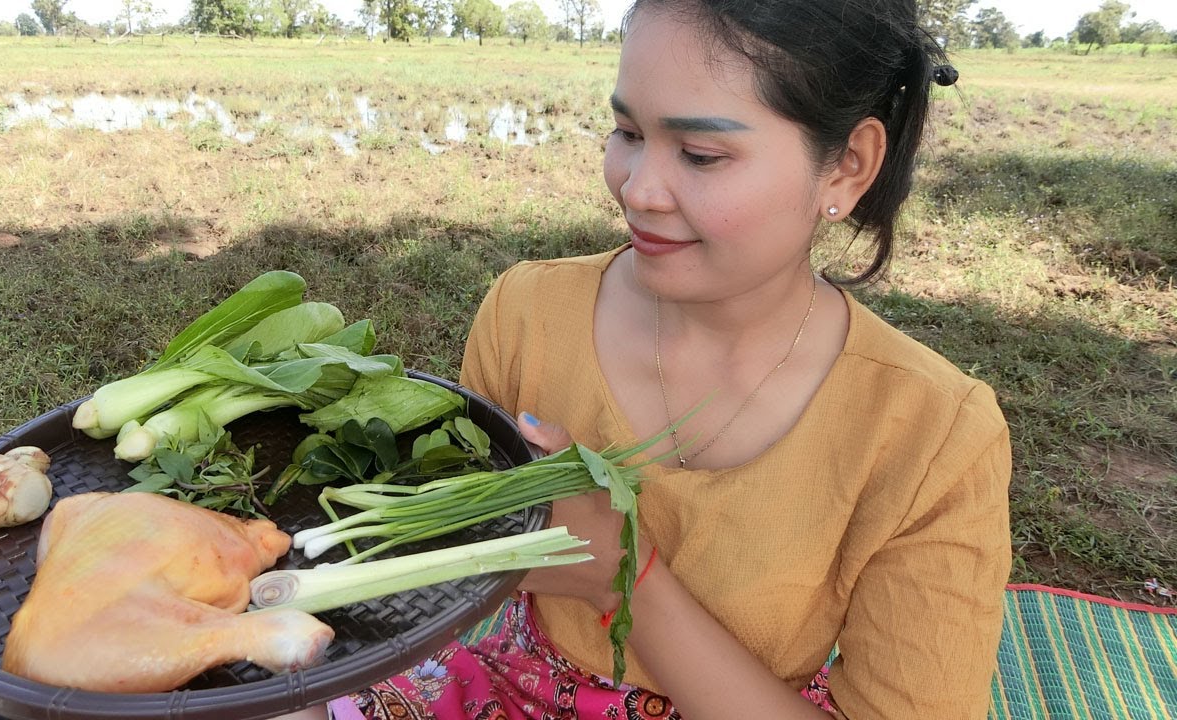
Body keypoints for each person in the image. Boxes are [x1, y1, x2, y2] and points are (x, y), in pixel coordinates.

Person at [325, 0, 1012, 717]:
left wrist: (621, 576)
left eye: (701, 155)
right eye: (627, 132)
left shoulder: (933, 434)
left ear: (846, 166)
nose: (637, 191)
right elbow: (456, 565)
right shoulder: (525, 313)